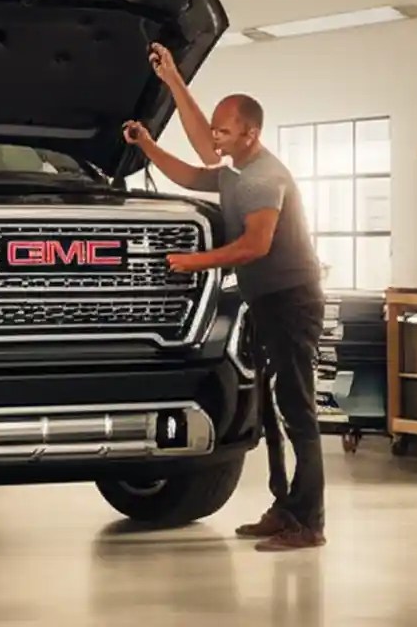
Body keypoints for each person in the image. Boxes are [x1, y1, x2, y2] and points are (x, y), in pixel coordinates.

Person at [122, 43, 327, 552]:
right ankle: (284, 508)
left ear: (250, 133)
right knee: (272, 413)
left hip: (291, 302)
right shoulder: (235, 169)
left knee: (298, 413)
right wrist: (151, 136)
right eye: (215, 129)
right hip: (265, 301)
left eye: (224, 131)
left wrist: (193, 263)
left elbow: (254, 245)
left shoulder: (262, 178)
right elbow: (191, 172)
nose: (215, 138)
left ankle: (310, 522)